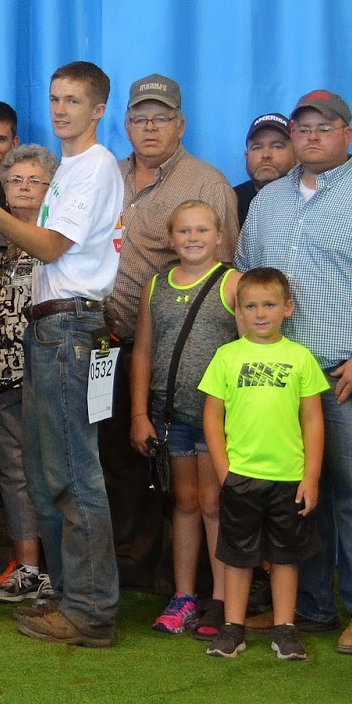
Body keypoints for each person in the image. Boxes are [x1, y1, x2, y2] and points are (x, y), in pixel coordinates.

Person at [235, 89, 352, 655]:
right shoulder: (269, 200)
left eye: (325, 126)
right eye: (303, 128)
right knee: (302, 494)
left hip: (350, 368)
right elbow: (247, 276)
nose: (312, 136)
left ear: (347, 134)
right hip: (284, 374)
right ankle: (313, 608)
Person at [0, 61, 125, 647]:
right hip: (52, 325)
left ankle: (92, 609)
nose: (61, 109)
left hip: (70, 325)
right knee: (56, 474)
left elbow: (52, 247)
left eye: (74, 100)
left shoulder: (94, 168)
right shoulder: (74, 168)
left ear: (98, 109)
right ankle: (76, 599)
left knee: (76, 475)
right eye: (54, 98)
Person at [101, 74, 237, 593]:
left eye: (160, 118)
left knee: (197, 474)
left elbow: (223, 279)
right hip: (108, 344)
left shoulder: (206, 184)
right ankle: (137, 577)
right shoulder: (106, 176)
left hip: (185, 354)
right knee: (122, 460)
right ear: (127, 125)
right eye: (139, 118)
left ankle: (205, 585)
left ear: (181, 125)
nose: (149, 126)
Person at [199, 267, 328, 660]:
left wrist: (311, 476)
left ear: (288, 308)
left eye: (269, 305)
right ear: (238, 312)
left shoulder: (301, 358)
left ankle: (285, 628)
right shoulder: (226, 356)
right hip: (242, 478)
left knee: (286, 558)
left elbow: (313, 420)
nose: (259, 314)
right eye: (250, 306)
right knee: (238, 556)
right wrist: (225, 473)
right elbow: (211, 418)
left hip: (289, 478)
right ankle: (233, 627)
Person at [129, 201, 240, 638]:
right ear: (171, 238)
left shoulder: (234, 284)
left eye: (202, 230)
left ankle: (223, 599)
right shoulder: (155, 286)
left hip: (219, 419)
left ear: (219, 236)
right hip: (170, 416)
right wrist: (139, 413)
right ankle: (184, 596)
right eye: (184, 231)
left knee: (216, 505)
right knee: (185, 504)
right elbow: (142, 352)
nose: (193, 238)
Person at [0, 144, 57, 603]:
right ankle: (27, 568)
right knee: (13, 471)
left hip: (49, 372)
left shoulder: (58, 240)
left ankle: (58, 569)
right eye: (15, 180)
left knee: (51, 470)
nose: (23, 187)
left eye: (34, 180)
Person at [232, 113, 294, 227]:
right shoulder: (231, 200)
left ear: (297, 155)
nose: (266, 155)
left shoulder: (310, 200)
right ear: (247, 156)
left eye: (277, 146)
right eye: (257, 148)